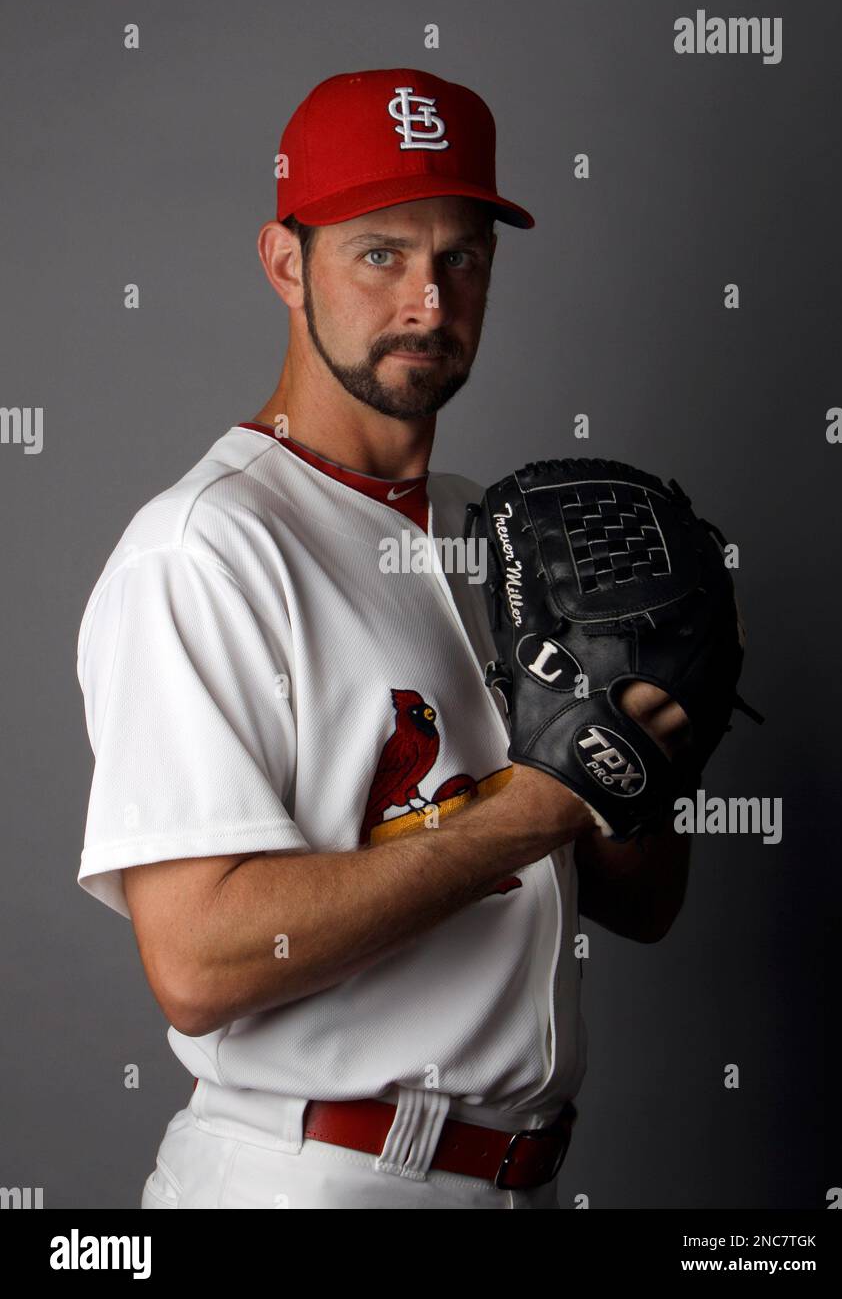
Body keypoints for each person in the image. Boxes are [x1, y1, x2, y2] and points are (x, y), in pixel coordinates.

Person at [76, 68, 691, 1210]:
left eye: (460, 256)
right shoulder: (203, 548)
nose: (426, 299)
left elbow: (639, 904)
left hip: (518, 1177)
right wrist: (542, 800)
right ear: (282, 262)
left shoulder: (500, 534)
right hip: (307, 1178)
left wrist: (652, 735)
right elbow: (199, 965)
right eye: (379, 253)